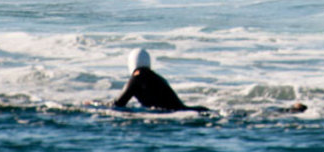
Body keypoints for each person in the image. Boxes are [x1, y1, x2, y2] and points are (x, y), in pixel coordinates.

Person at [113, 48, 307, 114]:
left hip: (181, 113)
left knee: (241, 115)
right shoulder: (154, 77)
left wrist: (93, 105)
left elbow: (118, 104)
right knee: (242, 114)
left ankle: (288, 111)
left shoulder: (137, 78)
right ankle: (287, 110)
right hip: (188, 110)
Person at [114, 48, 197, 111]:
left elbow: (118, 103)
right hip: (182, 110)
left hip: (169, 113)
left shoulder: (137, 78)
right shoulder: (157, 78)